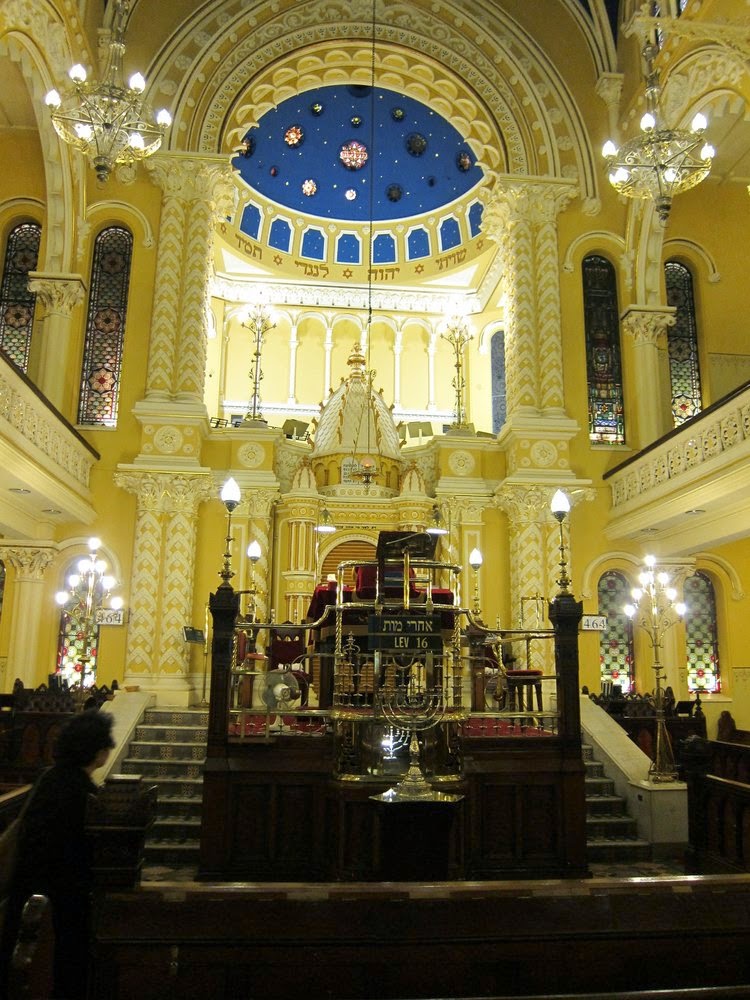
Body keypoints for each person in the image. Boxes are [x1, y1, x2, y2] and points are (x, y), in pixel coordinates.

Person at [0, 709, 115, 999]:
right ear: (97, 751)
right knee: (58, 971)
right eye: (105, 747)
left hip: (26, 889)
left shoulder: (50, 778)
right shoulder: (82, 792)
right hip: (57, 902)